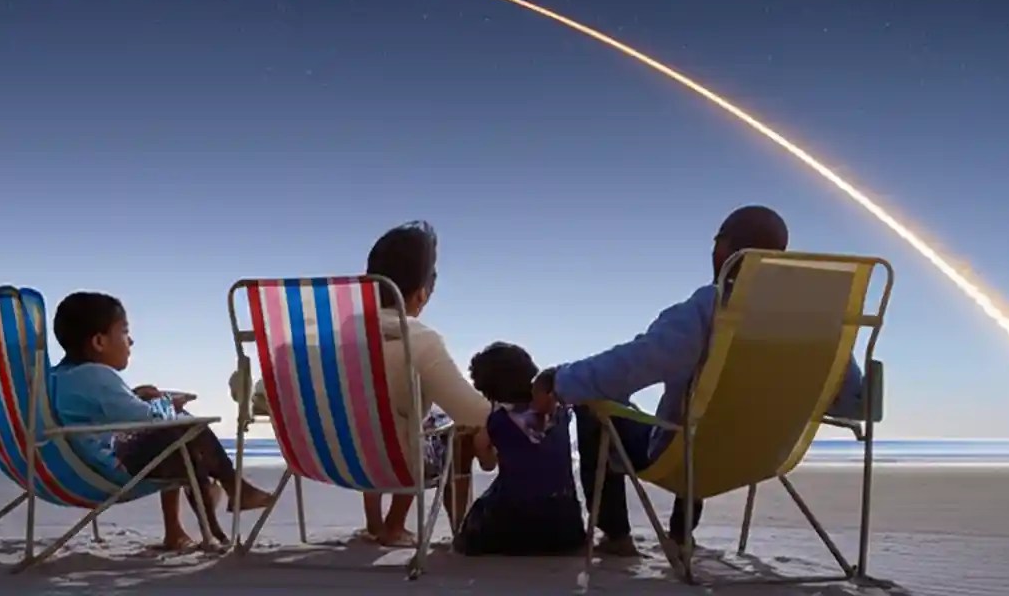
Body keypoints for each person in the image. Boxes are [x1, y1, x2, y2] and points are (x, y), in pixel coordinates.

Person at [531, 205, 867, 557]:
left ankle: (616, 536)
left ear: (722, 248)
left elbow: (633, 365)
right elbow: (855, 404)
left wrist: (561, 380)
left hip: (693, 458)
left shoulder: (713, 306)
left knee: (604, 408)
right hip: (762, 458)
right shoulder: (817, 321)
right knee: (703, 408)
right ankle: (681, 536)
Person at [50, 291, 272, 550]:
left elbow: (102, 410)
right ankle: (231, 491)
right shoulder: (95, 376)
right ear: (99, 341)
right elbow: (150, 419)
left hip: (74, 467)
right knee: (183, 429)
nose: (130, 341)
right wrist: (167, 401)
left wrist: (138, 397)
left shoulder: (60, 377)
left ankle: (186, 526)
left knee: (177, 438)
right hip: (110, 466)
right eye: (124, 332)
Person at [359, 221, 492, 547]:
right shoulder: (417, 339)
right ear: (423, 293)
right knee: (447, 430)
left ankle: (374, 524)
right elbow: (473, 414)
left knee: (366, 419)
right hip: (398, 461)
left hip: (337, 458)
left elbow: (264, 396)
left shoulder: (325, 337)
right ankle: (395, 525)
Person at [453, 342, 585, 556]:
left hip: (512, 524)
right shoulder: (561, 412)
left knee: (474, 524)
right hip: (565, 528)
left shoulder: (497, 421)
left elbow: (488, 465)